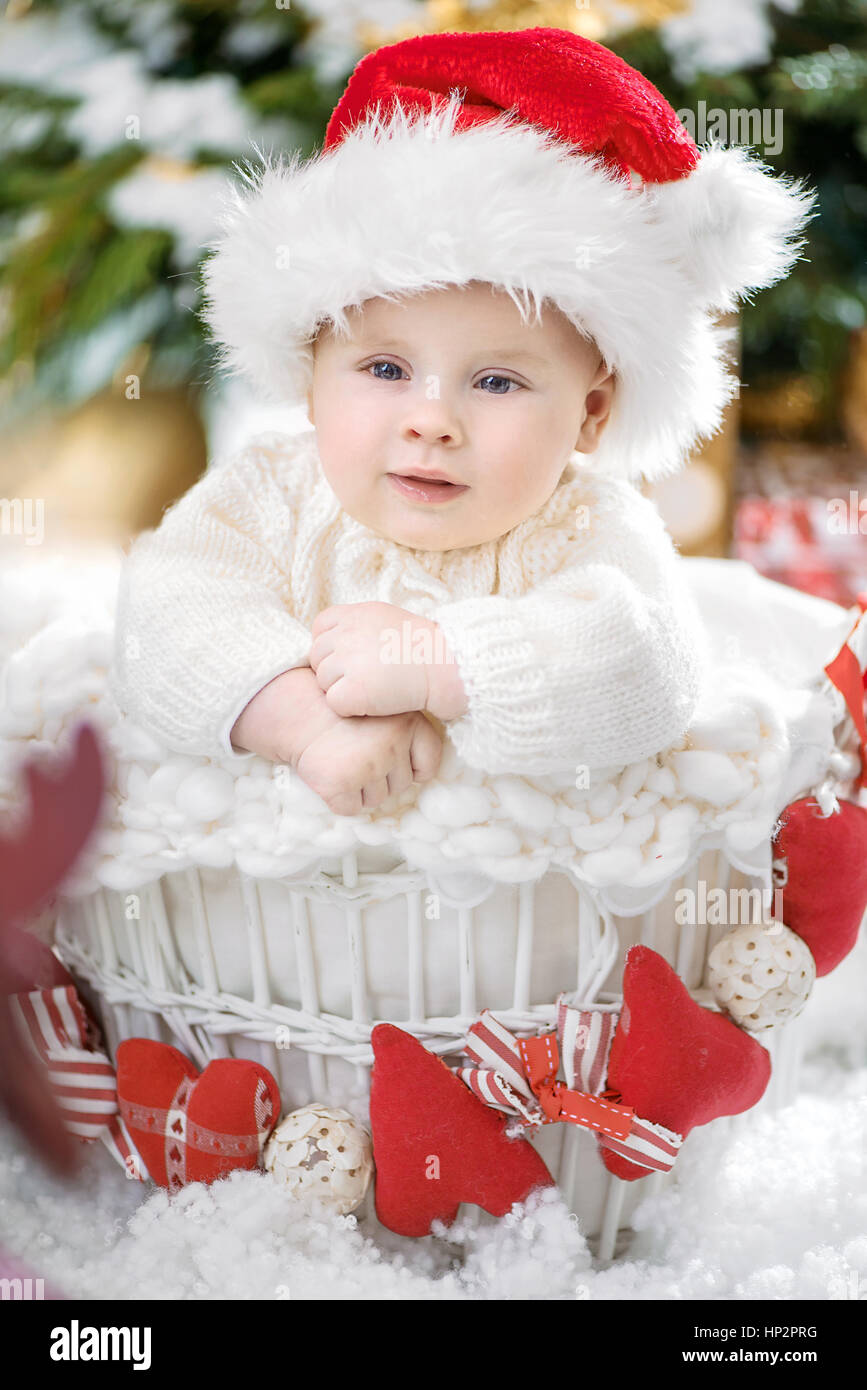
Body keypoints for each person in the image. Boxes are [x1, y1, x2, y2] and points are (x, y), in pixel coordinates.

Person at [110, 27, 816, 818]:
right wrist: (296, 716)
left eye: (496, 381)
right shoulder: (268, 492)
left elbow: (647, 670)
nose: (431, 421)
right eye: (384, 370)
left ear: (590, 413)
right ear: (309, 384)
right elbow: (165, 617)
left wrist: (445, 663)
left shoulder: (587, 525)